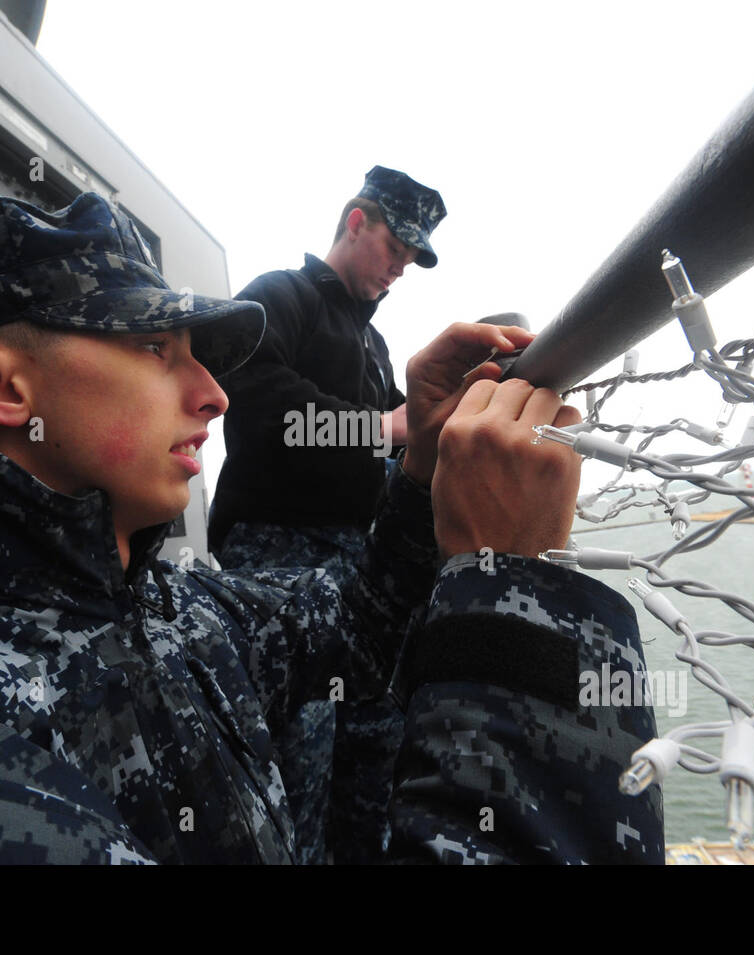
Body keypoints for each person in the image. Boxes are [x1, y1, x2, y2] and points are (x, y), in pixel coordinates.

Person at [0, 192, 663, 864]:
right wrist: (517, 589)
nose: (210, 393)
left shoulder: (173, 600)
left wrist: (419, 476)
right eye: (159, 350)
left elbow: (357, 630)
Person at [209, 166, 446, 862]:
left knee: (375, 744)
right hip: (277, 561)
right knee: (298, 755)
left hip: (359, 573)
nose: (400, 268)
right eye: (394, 247)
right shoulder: (281, 295)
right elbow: (253, 397)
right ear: (355, 221)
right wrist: (386, 429)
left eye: (411, 259)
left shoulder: (375, 347)